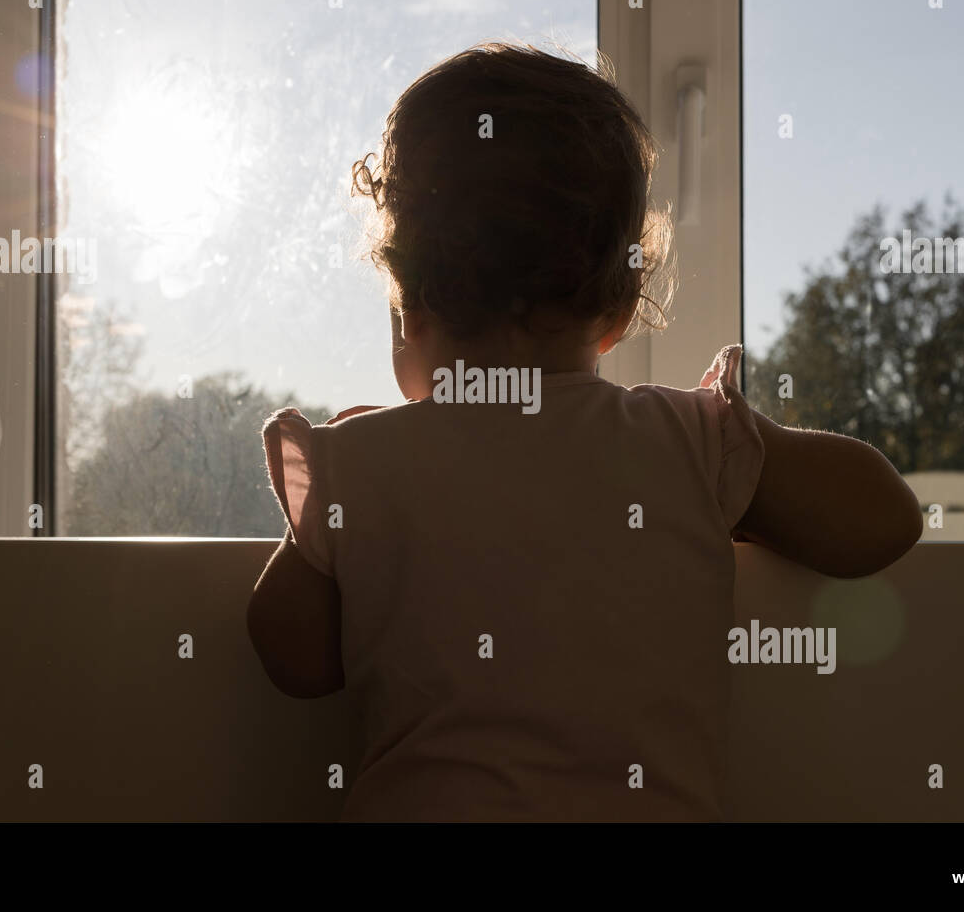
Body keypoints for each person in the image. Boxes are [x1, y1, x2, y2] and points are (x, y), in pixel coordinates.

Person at [248, 43, 921, 821]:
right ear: (621, 307)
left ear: (409, 305)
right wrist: (742, 452)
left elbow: (289, 656)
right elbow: (885, 521)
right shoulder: (681, 442)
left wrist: (341, 510)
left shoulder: (365, 464)